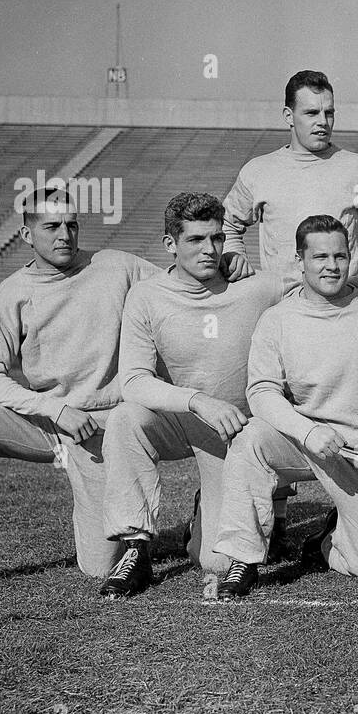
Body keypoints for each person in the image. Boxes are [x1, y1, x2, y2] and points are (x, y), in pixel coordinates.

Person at [0, 186, 160, 591]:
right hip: (48, 424)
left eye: (72, 225)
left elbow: (173, 290)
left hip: (103, 428)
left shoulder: (116, 266)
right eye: (52, 226)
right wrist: (54, 409)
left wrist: (227, 266)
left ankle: (144, 535)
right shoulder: (14, 292)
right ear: (27, 235)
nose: (65, 236)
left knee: (98, 565)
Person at [98, 193, 291, 597]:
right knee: (125, 418)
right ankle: (135, 547)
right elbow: (132, 380)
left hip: (233, 431)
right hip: (179, 419)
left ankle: (211, 509)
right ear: (170, 244)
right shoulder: (147, 296)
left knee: (216, 561)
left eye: (217, 239)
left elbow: (320, 285)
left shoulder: (259, 287)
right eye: (196, 240)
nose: (210, 250)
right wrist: (197, 400)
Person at [211, 215, 358, 598]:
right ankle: (244, 559)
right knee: (250, 438)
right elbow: (261, 391)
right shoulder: (277, 319)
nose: (332, 266)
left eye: (340, 255)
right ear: (299, 259)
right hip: (307, 443)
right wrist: (307, 430)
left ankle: (328, 541)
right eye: (320, 256)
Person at [222, 70, 358, 286]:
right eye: (311, 113)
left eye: (329, 113)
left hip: (341, 302)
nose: (323, 122)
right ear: (288, 116)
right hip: (283, 304)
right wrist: (234, 255)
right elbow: (228, 224)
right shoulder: (259, 171)